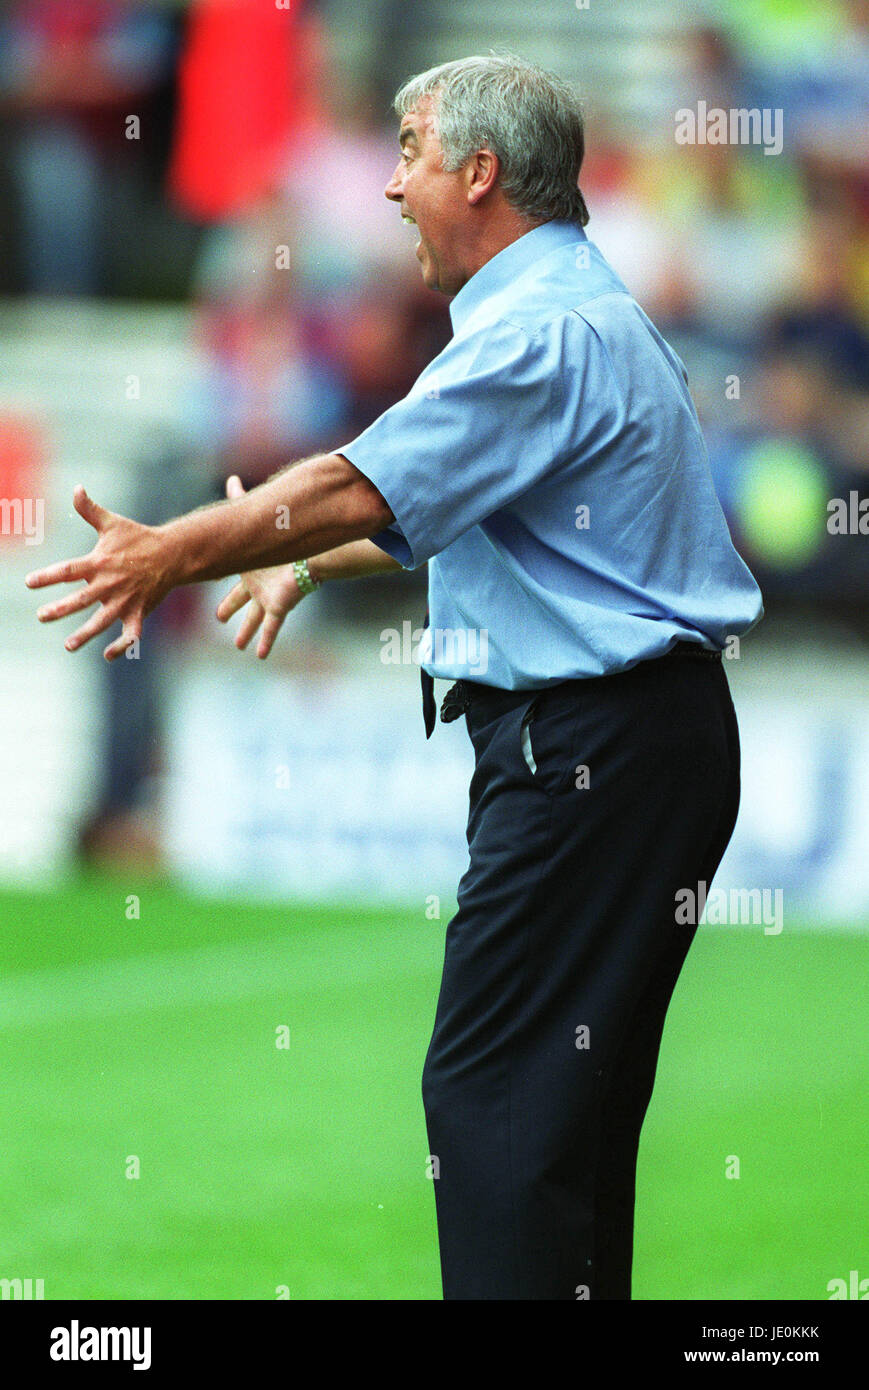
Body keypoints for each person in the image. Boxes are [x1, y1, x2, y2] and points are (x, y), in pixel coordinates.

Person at [27, 54, 763, 1300]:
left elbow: (356, 484)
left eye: (409, 153)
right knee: (565, 1122)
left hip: (585, 754)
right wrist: (301, 572)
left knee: (499, 1109)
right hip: (641, 744)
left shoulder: (535, 332)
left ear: (478, 172)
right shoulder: (578, 312)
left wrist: (172, 553)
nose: (387, 186)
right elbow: (437, 504)